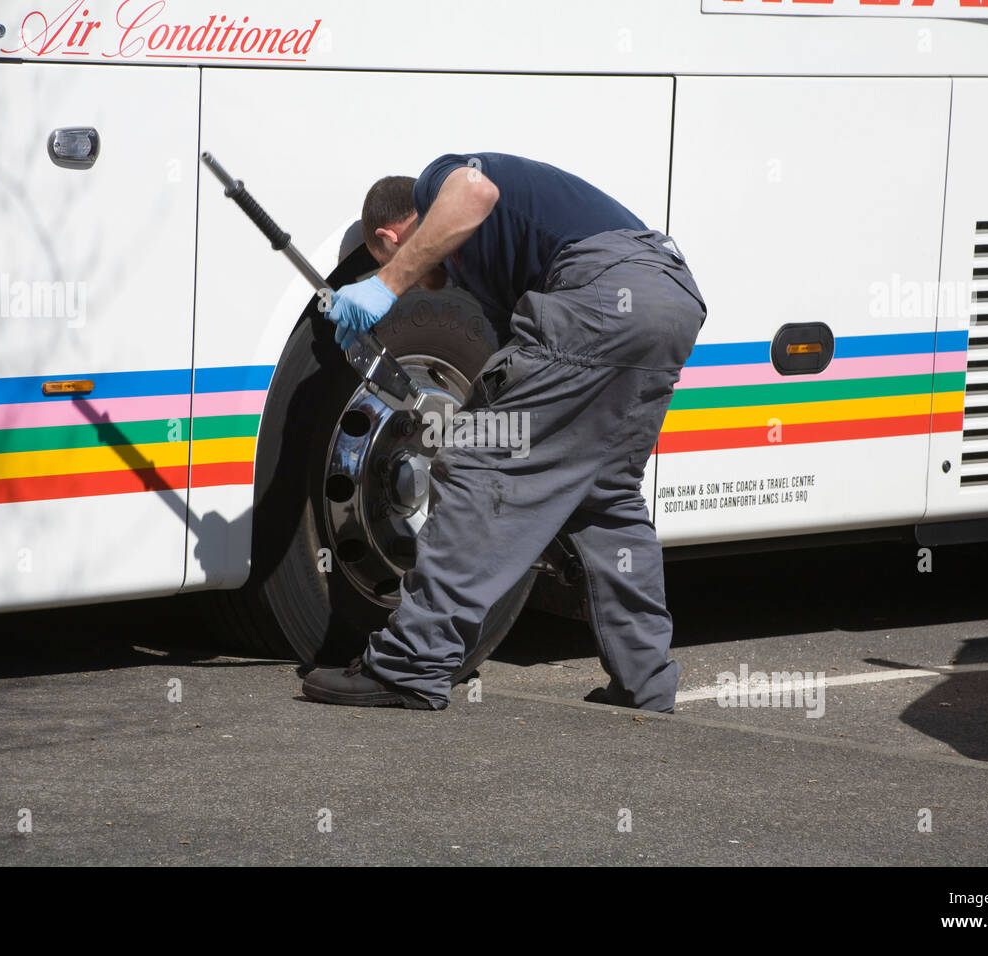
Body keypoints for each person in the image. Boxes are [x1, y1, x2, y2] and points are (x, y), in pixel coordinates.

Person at [301, 152, 706, 713]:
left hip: (604, 290)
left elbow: (474, 191)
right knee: (603, 494)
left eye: (390, 259)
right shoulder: (495, 269)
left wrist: (385, 286)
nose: (421, 278)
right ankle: (644, 684)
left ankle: (410, 666)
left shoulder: (441, 179)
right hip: (669, 297)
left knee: (472, 465)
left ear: (393, 236)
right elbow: (529, 410)